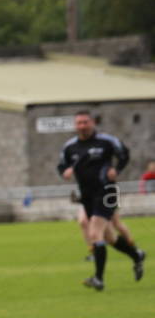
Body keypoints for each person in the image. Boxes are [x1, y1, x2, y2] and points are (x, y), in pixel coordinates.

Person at [58, 110, 144, 290]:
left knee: (94, 233)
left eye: (85, 122)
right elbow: (62, 164)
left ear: (92, 123)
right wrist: (64, 172)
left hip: (107, 191)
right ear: (75, 125)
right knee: (110, 238)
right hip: (87, 195)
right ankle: (136, 256)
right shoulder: (70, 146)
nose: (82, 126)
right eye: (79, 123)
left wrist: (117, 170)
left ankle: (98, 279)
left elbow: (124, 153)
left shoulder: (106, 141)